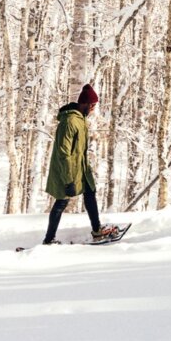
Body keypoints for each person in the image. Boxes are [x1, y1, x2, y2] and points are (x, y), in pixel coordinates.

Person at [42, 84, 121, 245]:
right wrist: (68, 180)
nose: (93, 109)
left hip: (80, 168)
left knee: (90, 192)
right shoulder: (70, 121)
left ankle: (97, 230)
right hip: (66, 170)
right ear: (84, 104)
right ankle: (48, 240)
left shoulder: (80, 119)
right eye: (92, 106)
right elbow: (64, 153)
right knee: (62, 201)